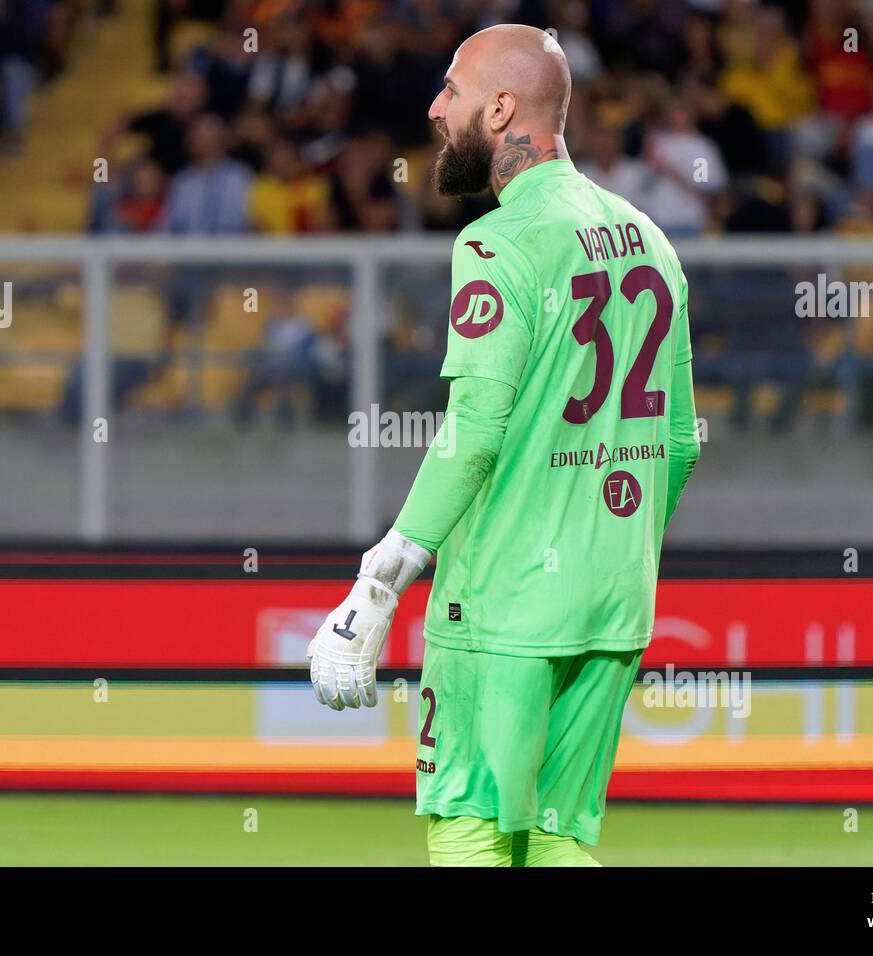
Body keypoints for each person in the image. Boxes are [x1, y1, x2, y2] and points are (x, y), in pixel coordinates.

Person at [307, 23, 700, 867]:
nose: (433, 107)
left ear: (500, 107)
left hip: (505, 604)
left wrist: (379, 583)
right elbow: (678, 443)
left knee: (470, 828)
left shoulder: (497, 244)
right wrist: (604, 544)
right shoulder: (651, 241)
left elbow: (474, 433)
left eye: (450, 90)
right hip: (615, 600)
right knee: (550, 841)